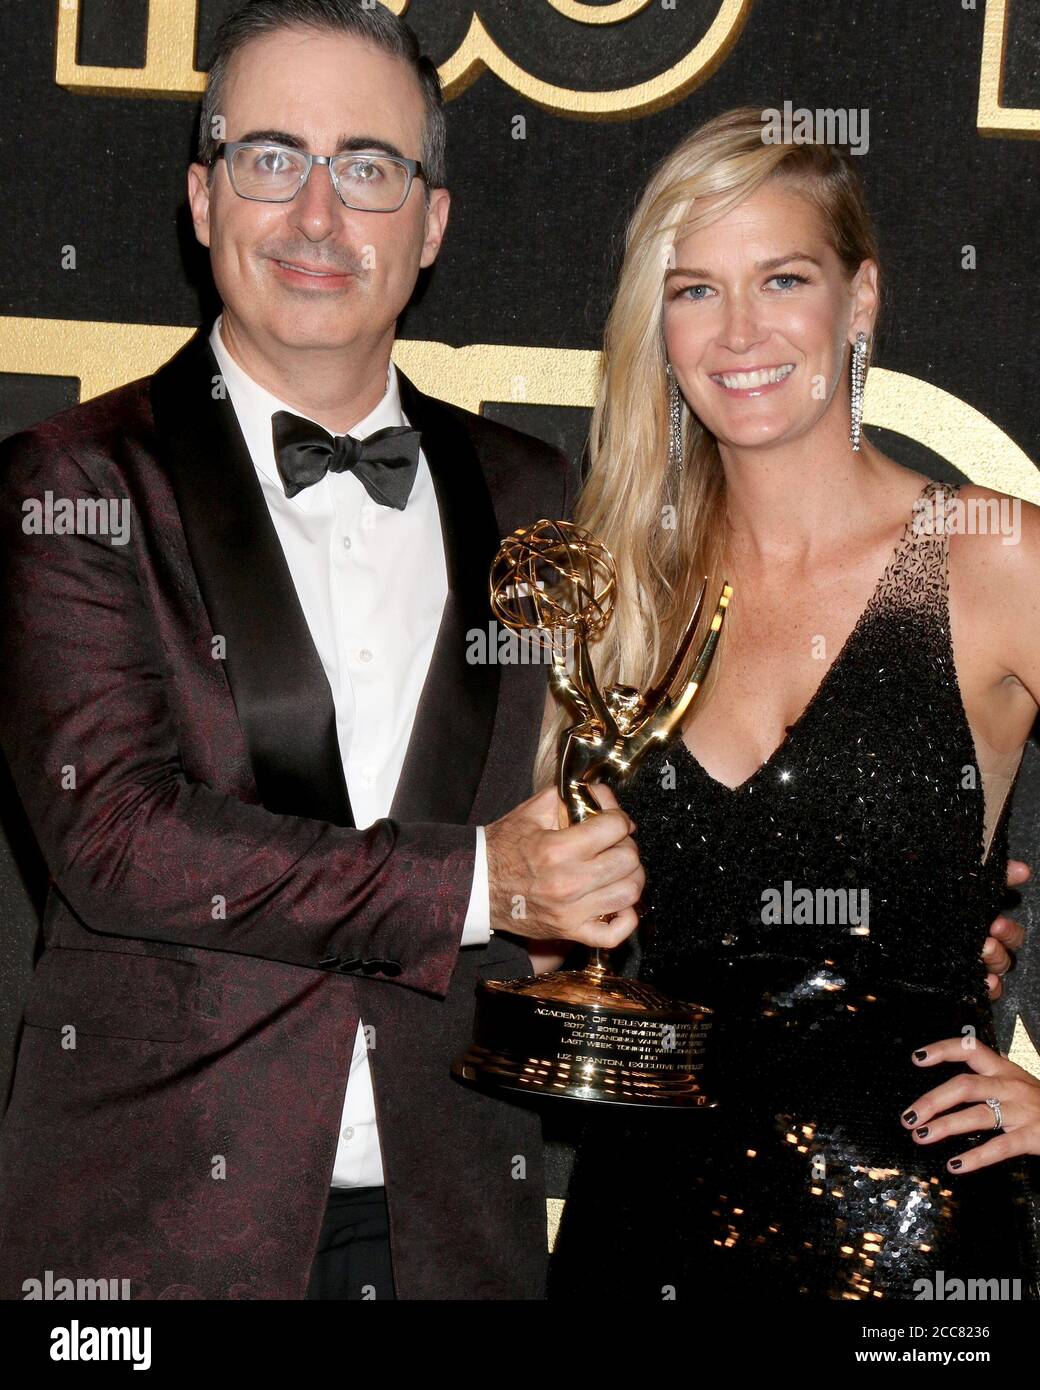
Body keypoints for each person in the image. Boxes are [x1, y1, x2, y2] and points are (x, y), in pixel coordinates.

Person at [0, 0, 646, 1301]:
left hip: (453, 1231)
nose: (316, 215)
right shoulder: (69, 484)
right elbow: (119, 838)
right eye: (270, 157)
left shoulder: (536, 492)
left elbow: (606, 796)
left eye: (367, 168)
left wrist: (892, 901)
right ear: (201, 196)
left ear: (432, 221)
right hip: (158, 1241)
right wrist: (479, 886)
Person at [545, 106, 1040, 1300]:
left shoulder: (990, 557)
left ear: (857, 302)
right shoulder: (615, 587)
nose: (740, 332)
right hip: (633, 1230)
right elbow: (555, 929)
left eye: (781, 278)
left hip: (913, 1251)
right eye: (695, 290)